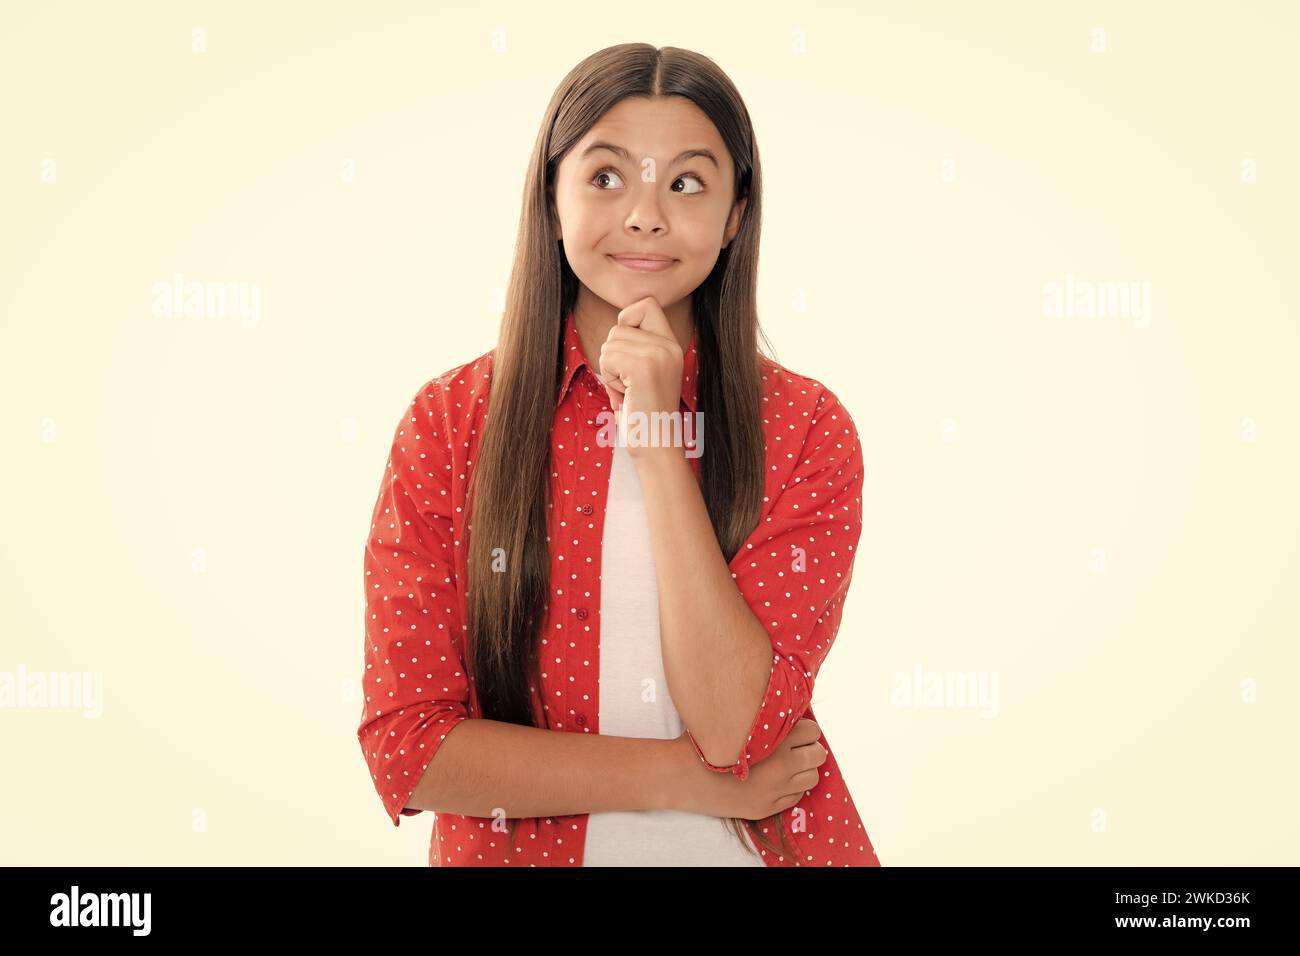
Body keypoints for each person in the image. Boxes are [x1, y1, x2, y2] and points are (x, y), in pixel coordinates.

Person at [357, 42, 881, 867]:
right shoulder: (451, 423)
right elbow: (412, 752)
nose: (645, 215)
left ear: (736, 213)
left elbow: (738, 725)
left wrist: (659, 439)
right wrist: (692, 780)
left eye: (686, 182)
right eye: (606, 177)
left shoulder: (806, 427)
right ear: (551, 194)